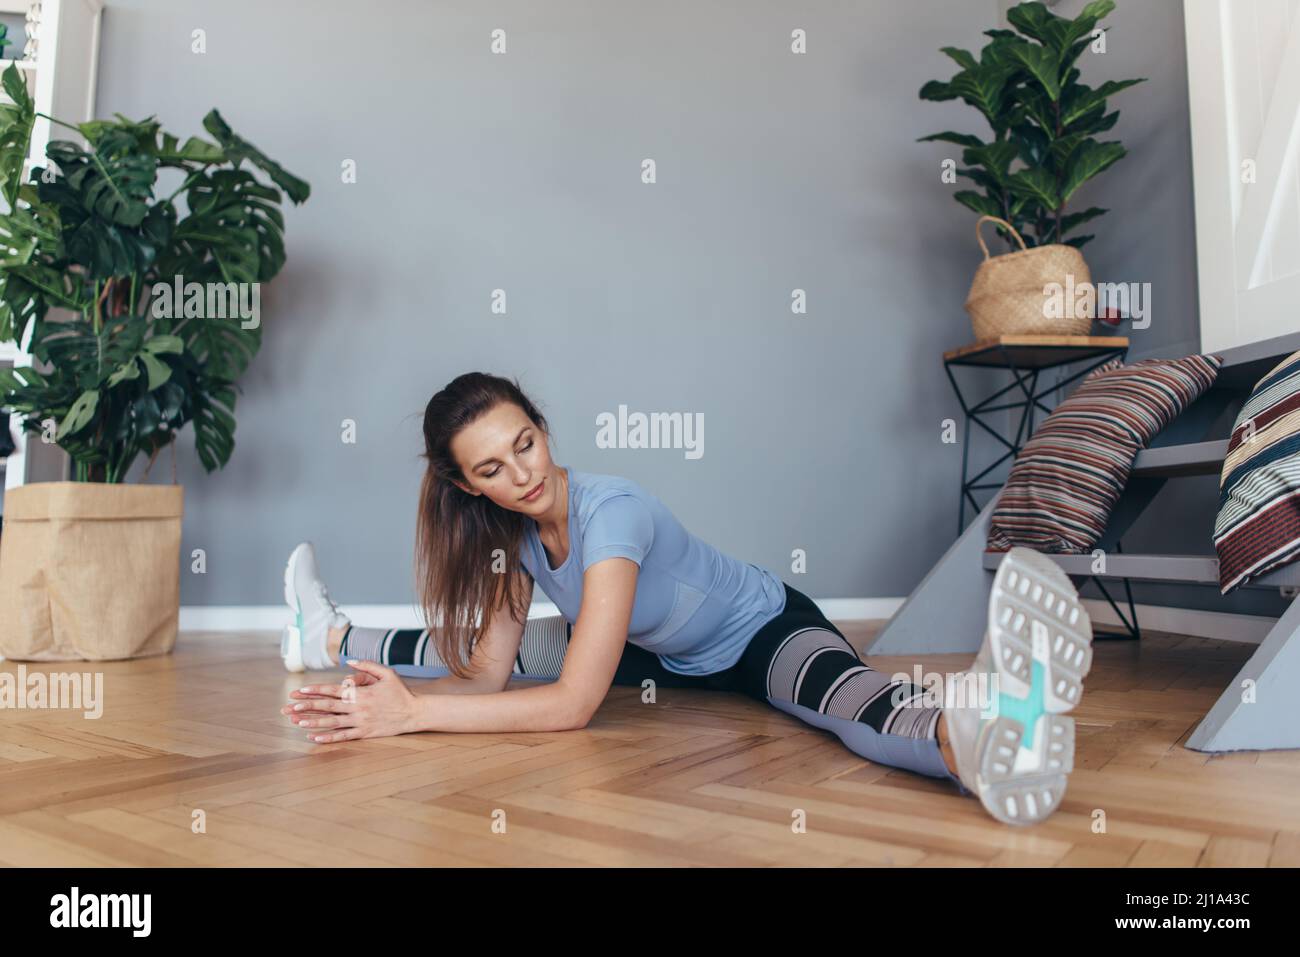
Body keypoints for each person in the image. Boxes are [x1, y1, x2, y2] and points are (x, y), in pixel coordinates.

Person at [279, 372, 1093, 826]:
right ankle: (329, 630)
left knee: (846, 704)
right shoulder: (515, 536)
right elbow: (486, 674)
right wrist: (402, 700)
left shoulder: (614, 512)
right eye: (491, 468)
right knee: (499, 646)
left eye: (524, 443)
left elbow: (572, 705)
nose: (521, 474)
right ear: (465, 483)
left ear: (542, 425)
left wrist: (415, 716)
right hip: (661, 651)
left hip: (758, 632)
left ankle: (978, 734)